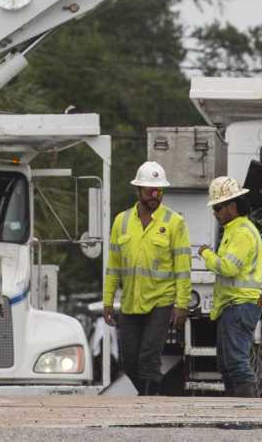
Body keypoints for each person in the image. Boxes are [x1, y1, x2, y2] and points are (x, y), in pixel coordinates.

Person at [102, 159, 189, 395]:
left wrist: (181, 305)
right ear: (138, 190)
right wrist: (108, 301)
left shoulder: (174, 223)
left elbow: (182, 267)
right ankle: (148, 396)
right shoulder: (121, 221)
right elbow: (113, 266)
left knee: (149, 358)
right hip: (131, 302)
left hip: (160, 301)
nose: (155, 195)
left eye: (159, 190)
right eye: (150, 190)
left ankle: (149, 402)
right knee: (129, 361)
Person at [196, 175, 262, 397]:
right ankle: (234, 417)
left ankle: (243, 418)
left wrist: (206, 254)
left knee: (236, 364)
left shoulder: (242, 232)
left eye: (217, 208)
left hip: (240, 305)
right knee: (227, 364)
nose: (214, 213)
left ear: (232, 207)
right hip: (233, 306)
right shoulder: (235, 229)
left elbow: (228, 268)